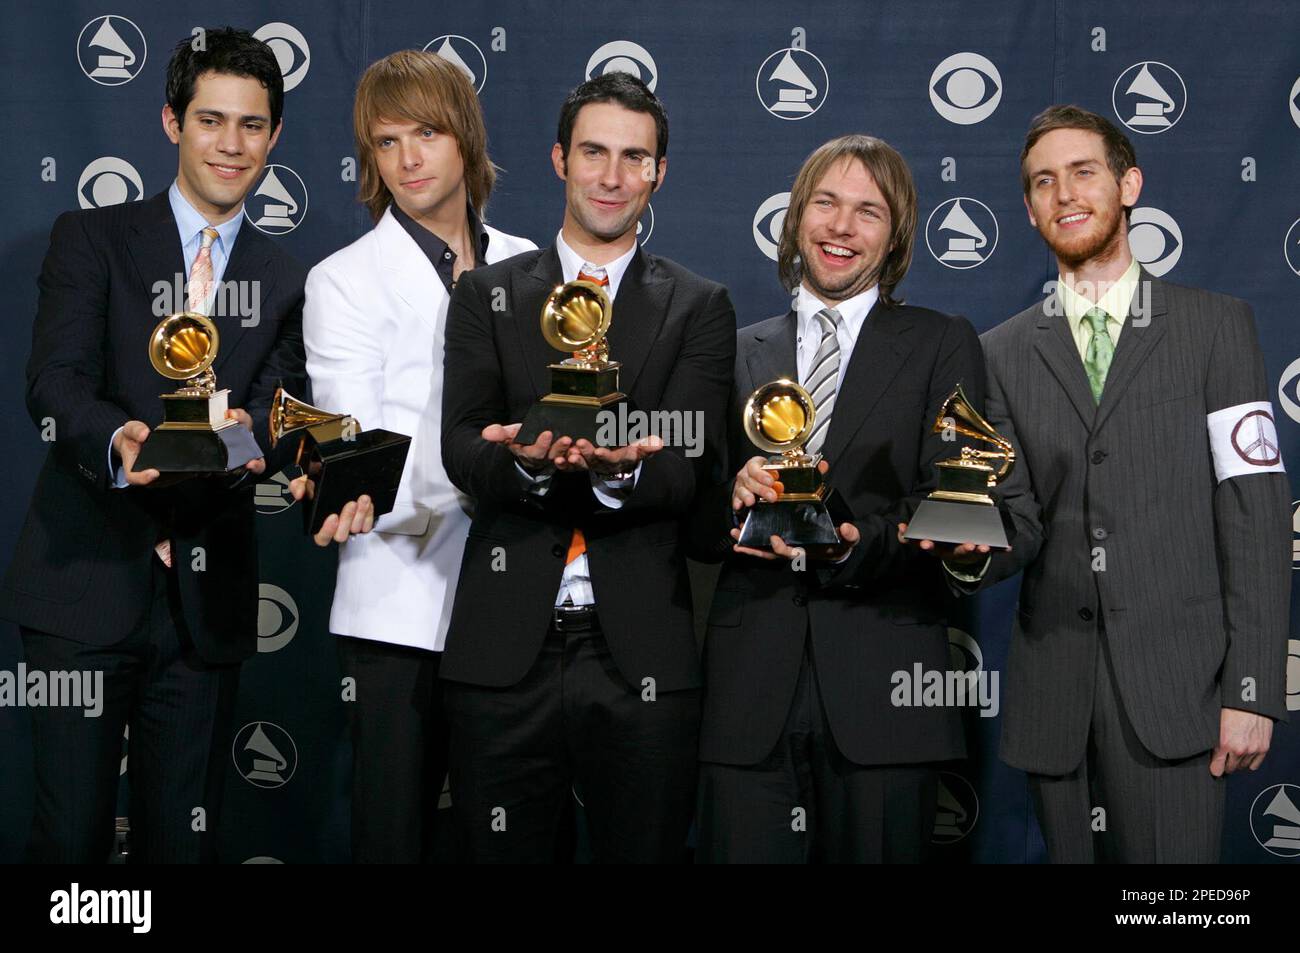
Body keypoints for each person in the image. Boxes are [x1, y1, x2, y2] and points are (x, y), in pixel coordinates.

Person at [0, 28, 306, 862]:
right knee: (70, 837)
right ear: (172, 122)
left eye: (252, 125)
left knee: (186, 839)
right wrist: (119, 442)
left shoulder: (286, 280)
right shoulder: (91, 238)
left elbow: (272, 418)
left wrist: (279, 446)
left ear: (275, 136)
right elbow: (53, 384)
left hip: (203, 603)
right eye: (212, 120)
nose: (231, 145)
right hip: (84, 584)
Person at [977, 105, 1289, 862]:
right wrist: (954, 537)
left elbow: (1255, 516)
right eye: (1043, 182)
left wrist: (1250, 689)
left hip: (1179, 695)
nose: (1065, 194)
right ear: (1027, 208)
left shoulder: (1216, 327)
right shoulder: (999, 353)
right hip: (1054, 699)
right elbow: (1010, 523)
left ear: (1129, 184)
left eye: (1084, 172)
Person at [438, 72, 736, 863]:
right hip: (504, 653)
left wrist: (617, 470)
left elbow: (692, 467)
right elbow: (462, 445)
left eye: (634, 157)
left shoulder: (698, 305)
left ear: (659, 173)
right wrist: (528, 464)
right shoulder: (487, 294)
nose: (612, 176)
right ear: (559, 159)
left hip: (639, 654)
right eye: (595, 152)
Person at [689, 134, 991, 863]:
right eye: (825, 203)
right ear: (796, 219)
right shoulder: (734, 348)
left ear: (895, 238)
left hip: (884, 686)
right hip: (747, 690)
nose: (841, 226)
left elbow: (955, 501)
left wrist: (865, 540)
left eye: (868, 211)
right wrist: (732, 494)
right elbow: (685, 510)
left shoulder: (940, 342)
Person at [295, 49, 534, 862]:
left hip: (522, 602)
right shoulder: (342, 281)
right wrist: (487, 466)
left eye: (426, 133)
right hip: (399, 602)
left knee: (507, 835)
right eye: (386, 142)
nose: (407, 160)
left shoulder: (529, 262)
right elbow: (354, 452)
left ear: (464, 136)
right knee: (392, 834)